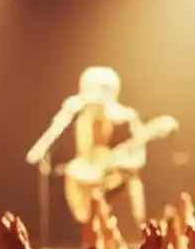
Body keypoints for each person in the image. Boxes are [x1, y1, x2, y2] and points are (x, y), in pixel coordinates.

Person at [58, 67, 162, 229]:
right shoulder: (83, 119)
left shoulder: (126, 120)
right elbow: (83, 156)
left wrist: (115, 170)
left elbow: (137, 160)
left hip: (121, 202)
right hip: (92, 208)